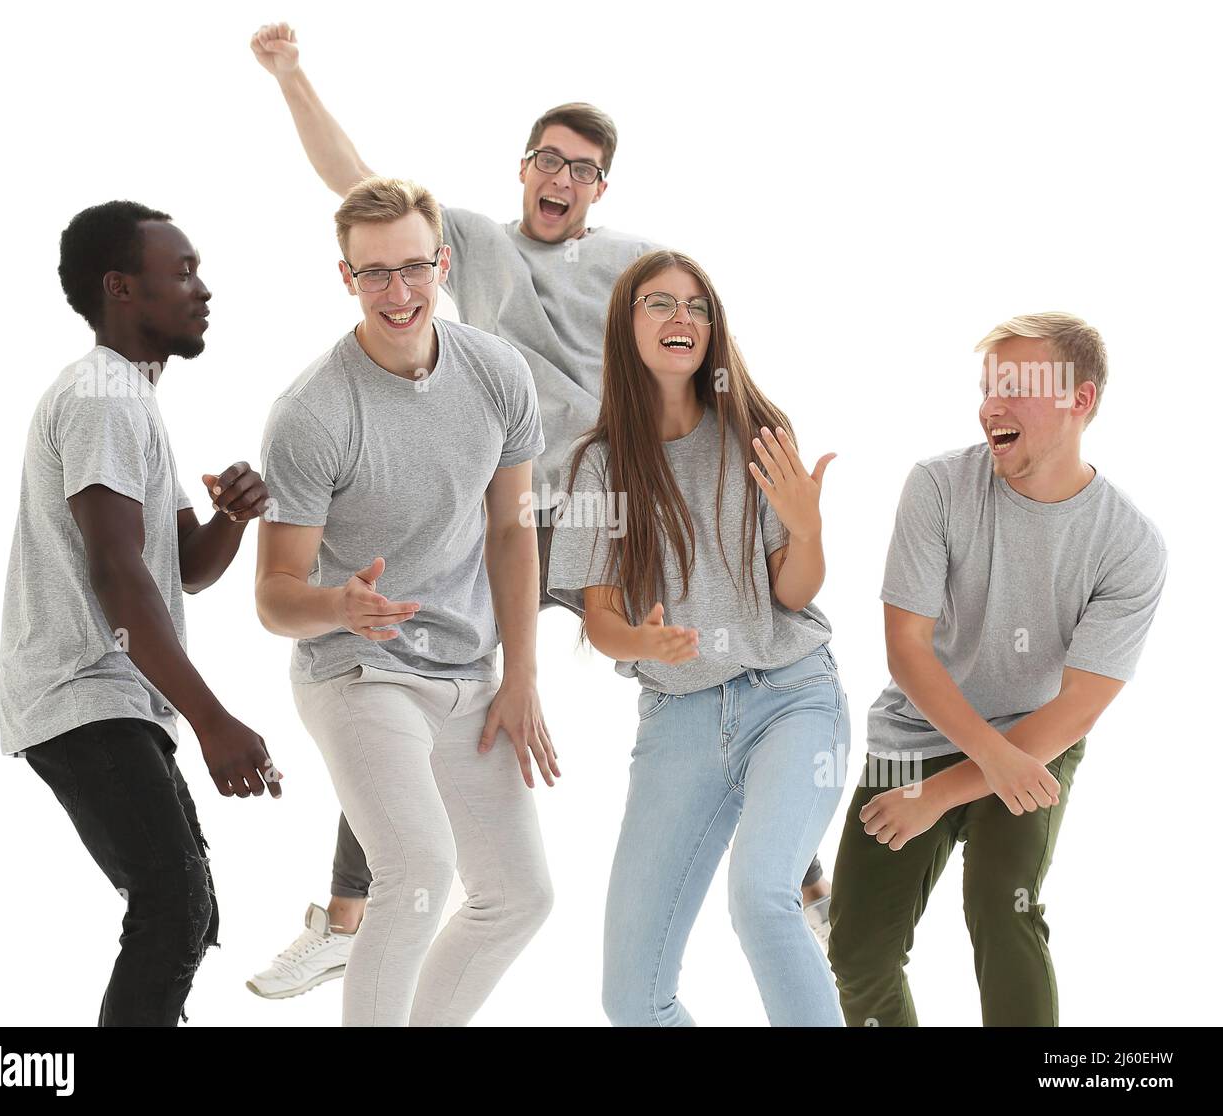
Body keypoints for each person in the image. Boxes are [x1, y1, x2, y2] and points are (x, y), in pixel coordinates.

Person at [245, 21, 831, 994]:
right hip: (509, 500)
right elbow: (354, 181)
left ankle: (802, 880)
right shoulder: (467, 244)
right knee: (401, 659)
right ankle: (348, 916)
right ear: (523, 170)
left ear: (601, 188)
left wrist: (739, 443)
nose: (561, 178)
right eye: (547, 160)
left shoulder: (637, 260)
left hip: (609, 502)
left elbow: (697, 335)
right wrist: (292, 75)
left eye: (582, 169)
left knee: (709, 639)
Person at [254, 176, 555, 1026]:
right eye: (374, 274)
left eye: (413, 268)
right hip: (359, 671)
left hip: (468, 670)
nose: (398, 293)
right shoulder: (312, 413)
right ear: (345, 278)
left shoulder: (498, 373)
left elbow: (512, 532)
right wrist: (340, 607)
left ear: (443, 264)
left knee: (519, 896)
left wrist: (522, 673)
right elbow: (275, 597)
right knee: (418, 872)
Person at [827, 313, 1168, 1026]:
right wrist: (950, 777)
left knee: (1001, 904)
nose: (991, 404)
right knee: (858, 953)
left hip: (1035, 737)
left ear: (1082, 400)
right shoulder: (938, 486)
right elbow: (908, 648)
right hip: (915, 733)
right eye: (987, 386)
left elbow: (1077, 707)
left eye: (1016, 386)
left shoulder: (1130, 546)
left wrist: (947, 793)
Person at [547, 249, 848, 1026]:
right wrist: (643, 643)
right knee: (633, 999)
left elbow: (794, 591)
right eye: (659, 303)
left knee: (762, 896)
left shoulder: (757, 433)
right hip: (677, 721)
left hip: (790, 697)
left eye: (697, 306)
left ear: (713, 331)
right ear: (626, 326)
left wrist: (808, 529)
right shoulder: (597, 466)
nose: (682, 318)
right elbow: (604, 623)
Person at [0, 201, 280, 1026]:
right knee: (173, 906)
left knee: (187, 911)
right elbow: (119, 578)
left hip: (114, 696)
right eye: (183, 271)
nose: (203, 290)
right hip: (82, 691)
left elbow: (181, 569)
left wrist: (232, 515)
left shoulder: (132, 395)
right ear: (122, 288)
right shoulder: (102, 399)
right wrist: (215, 720)